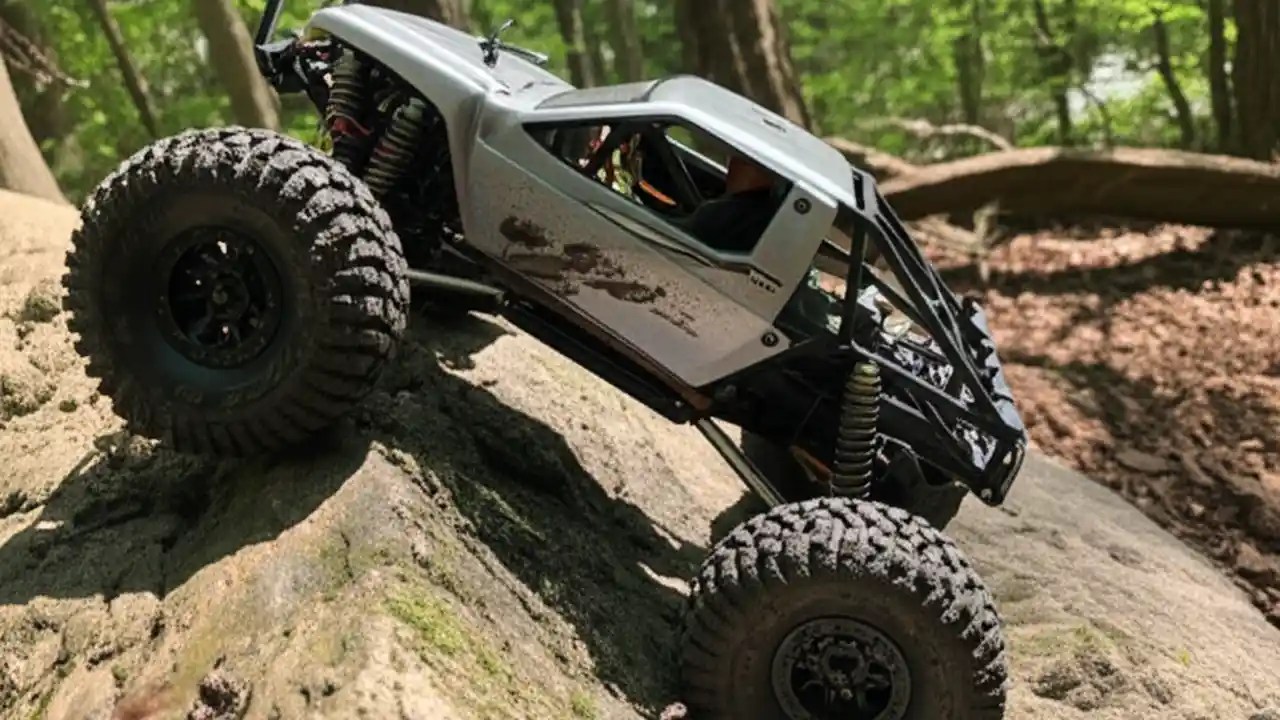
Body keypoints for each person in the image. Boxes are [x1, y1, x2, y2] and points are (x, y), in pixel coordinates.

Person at [681, 154, 779, 253]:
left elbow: (679, 236)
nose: (731, 166)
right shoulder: (771, 216)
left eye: (740, 161)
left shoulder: (720, 213)